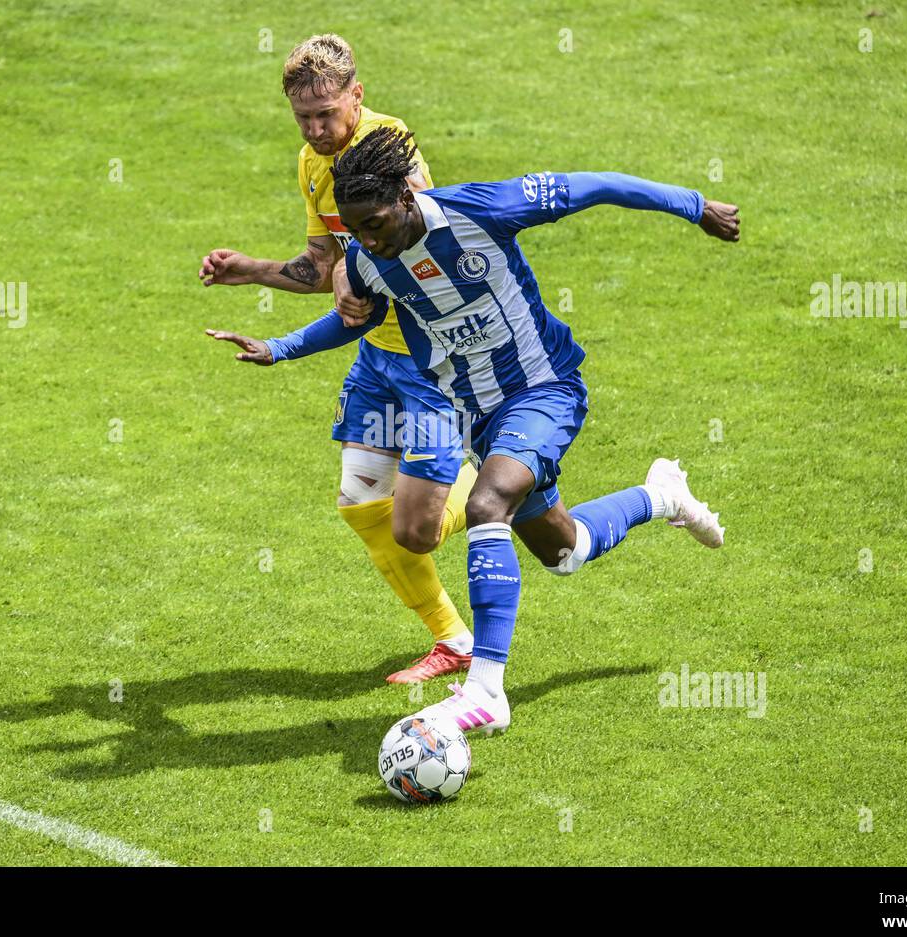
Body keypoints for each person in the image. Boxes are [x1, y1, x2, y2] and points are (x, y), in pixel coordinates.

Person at [208, 127, 740, 733]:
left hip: (544, 390)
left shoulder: (480, 210)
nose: (369, 241)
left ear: (406, 199)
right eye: (356, 231)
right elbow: (352, 322)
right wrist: (279, 348)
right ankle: (663, 495)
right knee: (563, 551)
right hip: (479, 415)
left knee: (488, 505)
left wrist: (695, 206)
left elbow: (595, 187)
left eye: (376, 223)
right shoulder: (366, 260)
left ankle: (485, 690)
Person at [200, 36, 478, 684]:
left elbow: (419, 243)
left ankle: (502, 491)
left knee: (422, 526)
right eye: (305, 118)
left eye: (328, 113)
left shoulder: (391, 148)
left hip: (431, 360)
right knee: (360, 500)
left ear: (356, 94)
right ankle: (453, 640)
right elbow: (320, 269)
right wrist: (254, 272)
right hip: (377, 361)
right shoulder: (310, 164)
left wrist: (358, 270)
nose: (318, 129)